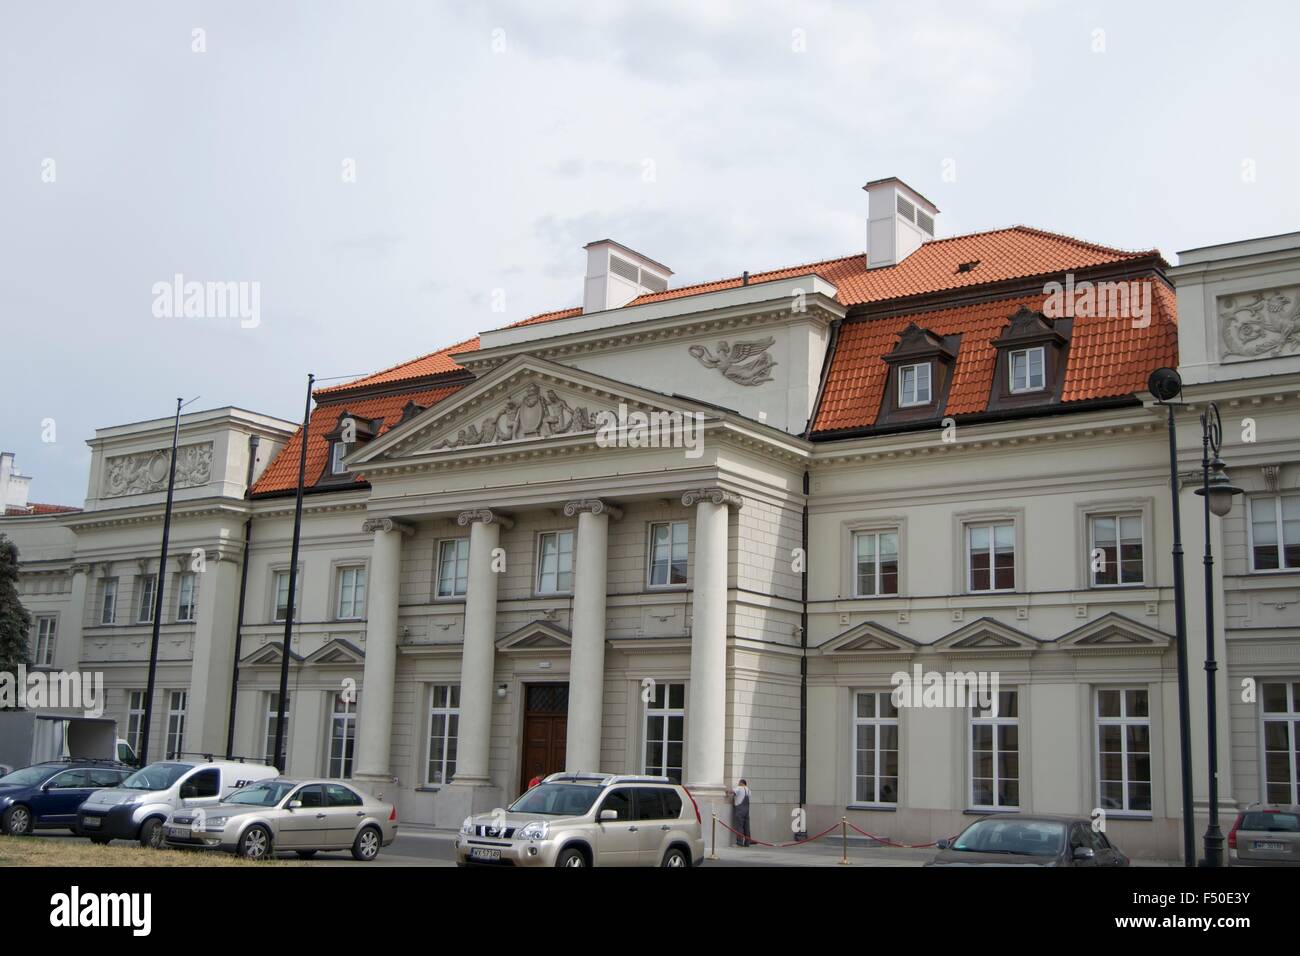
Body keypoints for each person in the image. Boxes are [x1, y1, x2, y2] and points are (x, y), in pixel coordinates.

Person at [727, 779, 752, 847]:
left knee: (739, 826)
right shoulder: (749, 790)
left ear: (741, 783)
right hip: (747, 810)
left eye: (738, 783)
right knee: (747, 827)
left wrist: (727, 791)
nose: (738, 784)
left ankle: (739, 843)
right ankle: (747, 843)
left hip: (740, 809)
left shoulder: (739, 788)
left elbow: (733, 792)